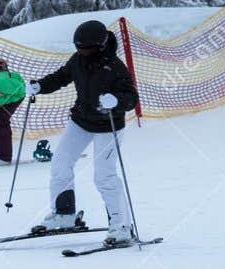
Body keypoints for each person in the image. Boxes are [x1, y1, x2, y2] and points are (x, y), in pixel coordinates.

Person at [27, 20, 140, 245]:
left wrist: (116, 100)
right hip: (80, 121)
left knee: (104, 176)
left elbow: (132, 98)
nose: (81, 52)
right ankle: (64, 215)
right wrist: (40, 86)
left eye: (86, 49)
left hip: (108, 126)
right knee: (60, 164)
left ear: (99, 46)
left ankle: (122, 226)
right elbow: (61, 77)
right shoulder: (78, 60)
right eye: (78, 48)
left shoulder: (114, 67)